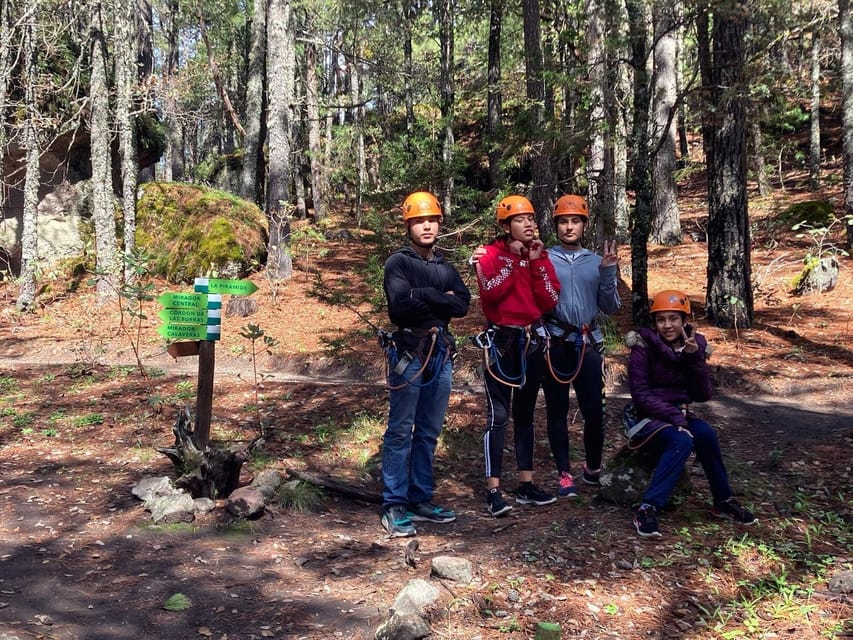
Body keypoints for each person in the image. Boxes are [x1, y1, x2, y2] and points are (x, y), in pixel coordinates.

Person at [625, 289, 757, 538]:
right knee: (681, 439)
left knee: (706, 434)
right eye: (661, 319)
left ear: (685, 320)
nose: (667, 325)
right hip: (646, 417)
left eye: (673, 319)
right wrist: (677, 420)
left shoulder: (693, 347)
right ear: (654, 323)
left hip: (679, 414)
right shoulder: (643, 348)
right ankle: (647, 508)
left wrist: (694, 358)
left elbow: (704, 394)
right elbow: (640, 395)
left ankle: (723, 500)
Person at [379, 191, 471, 538]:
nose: (427, 226)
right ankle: (394, 504)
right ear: (409, 225)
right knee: (401, 429)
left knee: (429, 432)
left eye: (432, 220)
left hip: (440, 354)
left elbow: (462, 305)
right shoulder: (398, 263)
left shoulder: (443, 265)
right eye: (420, 221)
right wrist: (439, 298)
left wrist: (424, 296)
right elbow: (399, 309)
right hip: (409, 352)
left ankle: (419, 499)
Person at [473, 195, 562, 517]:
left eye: (531, 218)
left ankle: (526, 483)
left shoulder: (539, 255)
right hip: (501, 341)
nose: (528, 224)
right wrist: (511, 260)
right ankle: (493, 489)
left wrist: (536, 262)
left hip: (531, 340)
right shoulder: (489, 255)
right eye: (520, 219)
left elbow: (549, 299)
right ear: (505, 225)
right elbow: (492, 292)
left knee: (525, 414)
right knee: (498, 417)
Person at [541, 194, 620, 498]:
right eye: (564, 221)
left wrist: (609, 273)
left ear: (584, 225)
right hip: (556, 342)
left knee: (593, 411)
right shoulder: (546, 258)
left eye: (575, 221)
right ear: (556, 225)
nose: (569, 227)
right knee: (557, 411)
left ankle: (593, 468)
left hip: (587, 344)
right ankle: (564, 474)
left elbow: (611, 307)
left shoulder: (595, 261)